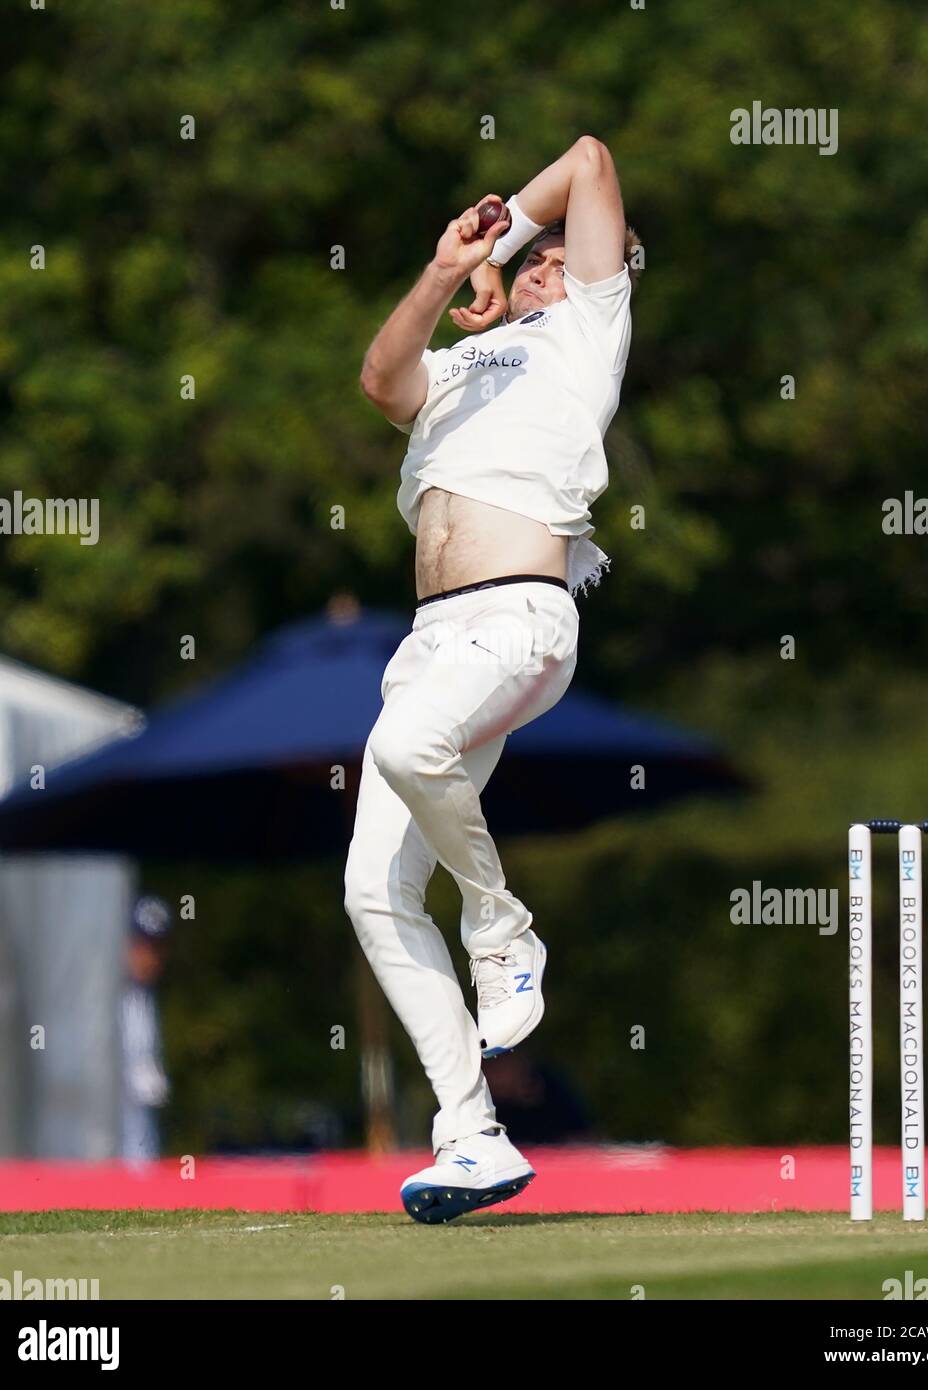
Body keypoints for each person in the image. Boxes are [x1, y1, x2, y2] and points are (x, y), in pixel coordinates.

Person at [345, 136, 638, 1223]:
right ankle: (471, 1136)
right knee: (372, 890)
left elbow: (589, 160)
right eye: (531, 266)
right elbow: (381, 379)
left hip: (521, 616)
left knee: (402, 749)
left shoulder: (585, 332)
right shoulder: (464, 363)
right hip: (431, 641)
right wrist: (445, 267)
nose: (539, 273)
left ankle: (500, 924)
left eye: (557, 260)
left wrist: (507, 228)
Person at [120, 895, 172, 1163]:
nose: (149, 958)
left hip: (139, 1145)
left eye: (156, 948)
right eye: (141, 946)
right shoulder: (105, 1003)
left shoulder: (145, 999)